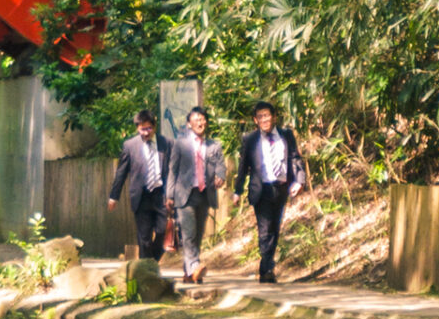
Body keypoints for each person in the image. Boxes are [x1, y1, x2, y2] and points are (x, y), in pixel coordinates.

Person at [231, 101, 305, 286]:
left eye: (267, 115)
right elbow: (243, 167)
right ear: (255, 120)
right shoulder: (250, 139)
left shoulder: (286, 135)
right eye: (260, 116)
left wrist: (300, 180)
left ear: (274, 117)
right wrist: (237, 190)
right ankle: (267, 269)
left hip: (280, 187)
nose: (265, 119)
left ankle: (266, 268)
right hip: (260, 189)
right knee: (264, 230)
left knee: (275, 228)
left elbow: (295, 158)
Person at [167, 106, 227, 282]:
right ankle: (194, 265)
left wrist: (220, 176)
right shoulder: (180, 144)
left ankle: (189, 273)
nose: (200, 123)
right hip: (184, 195)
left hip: (204, 193)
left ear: (206, 122)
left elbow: (220, 165)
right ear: (189, 124)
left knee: (199, 233)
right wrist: (169, 195)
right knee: (188, 233)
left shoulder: (214, 145)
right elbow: (173, 170)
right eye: (196, 120)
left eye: (202, 120)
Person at [108, 108, 169, 262]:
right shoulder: (130, 146)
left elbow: (172, 170)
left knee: (162, 232)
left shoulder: (166, 143)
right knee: (144, 239)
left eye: (149, 128)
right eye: (142, 129)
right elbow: (121, 172)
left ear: (154, 127)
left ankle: (151, 263)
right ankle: (146, 272)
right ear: (137, 128)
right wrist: (114, 196)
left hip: (161, 195)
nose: (146, 132)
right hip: (141, 197)